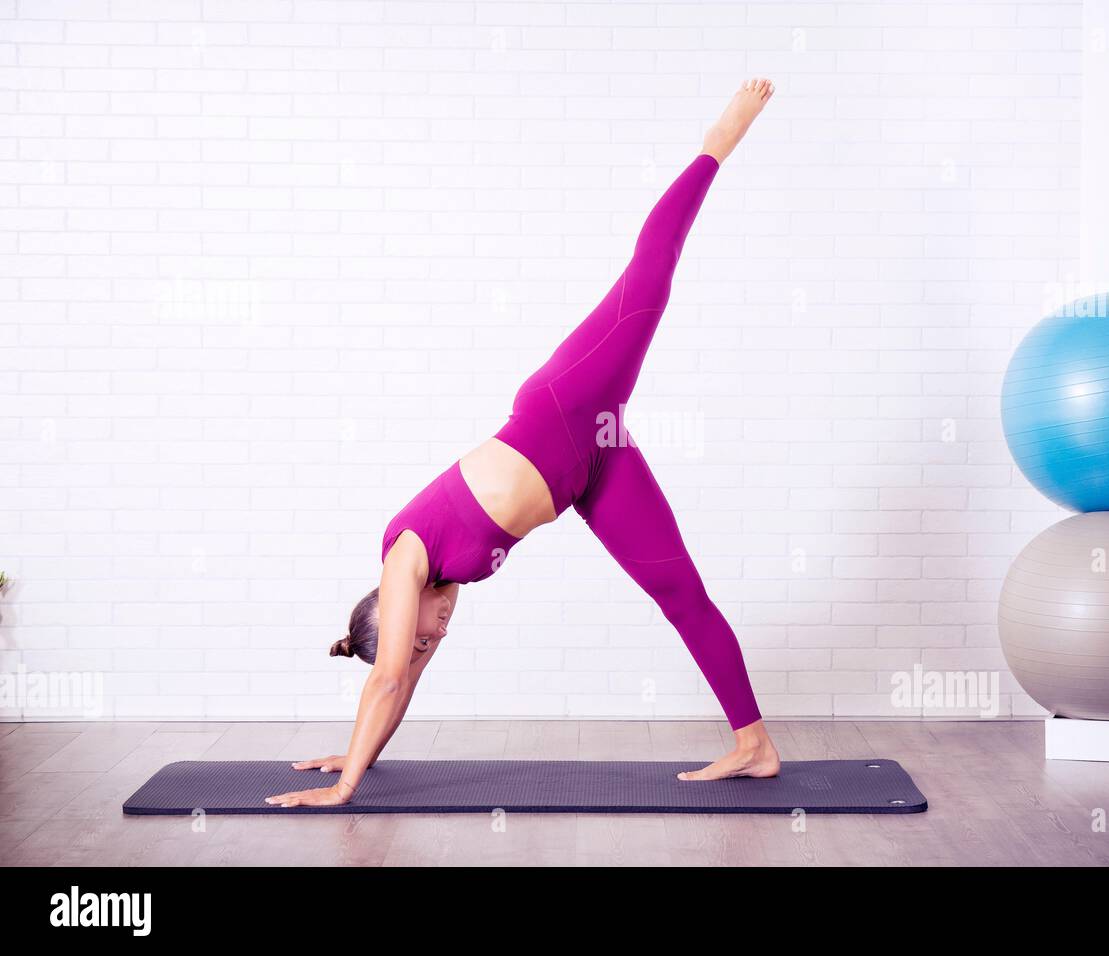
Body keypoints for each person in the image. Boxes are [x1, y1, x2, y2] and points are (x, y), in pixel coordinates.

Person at [269, 79, 779, 808]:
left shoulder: (403, 552)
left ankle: (718, 142)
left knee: (648, 283)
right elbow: (399, 681)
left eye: (416, 634)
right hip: (591, 468)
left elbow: (387, 677)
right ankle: (755, 743)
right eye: (423, 641)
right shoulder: (434, 598)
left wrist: (343, 790)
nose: (430, 639)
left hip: (562, 412)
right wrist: (356, 755)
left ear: (391, 606)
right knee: (680, 591)